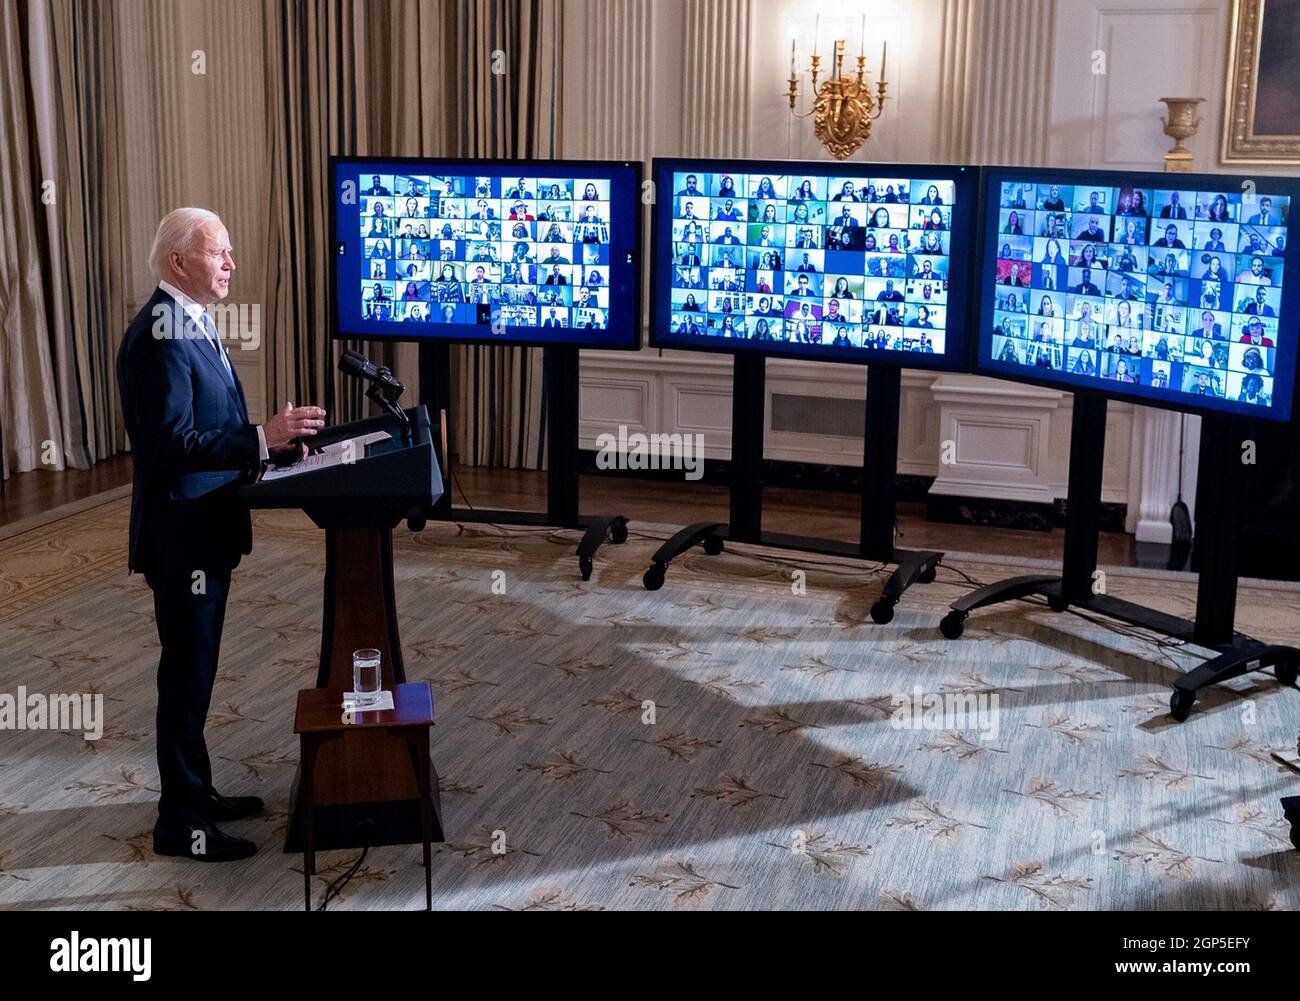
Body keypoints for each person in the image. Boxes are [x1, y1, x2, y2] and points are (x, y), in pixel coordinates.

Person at [116, 209, 326, 862]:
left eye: (231, 252)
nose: (232, 263)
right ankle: (180, 823)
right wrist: (261, 435)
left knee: (195, 674)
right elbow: (171, 445)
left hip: (204, 533)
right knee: (184, 679)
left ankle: (196, 792)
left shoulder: (188, 321)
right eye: (220, 253)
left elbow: (213, 426)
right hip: (182, 541)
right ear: (179, 261)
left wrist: (274, 448)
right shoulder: (159, 334)